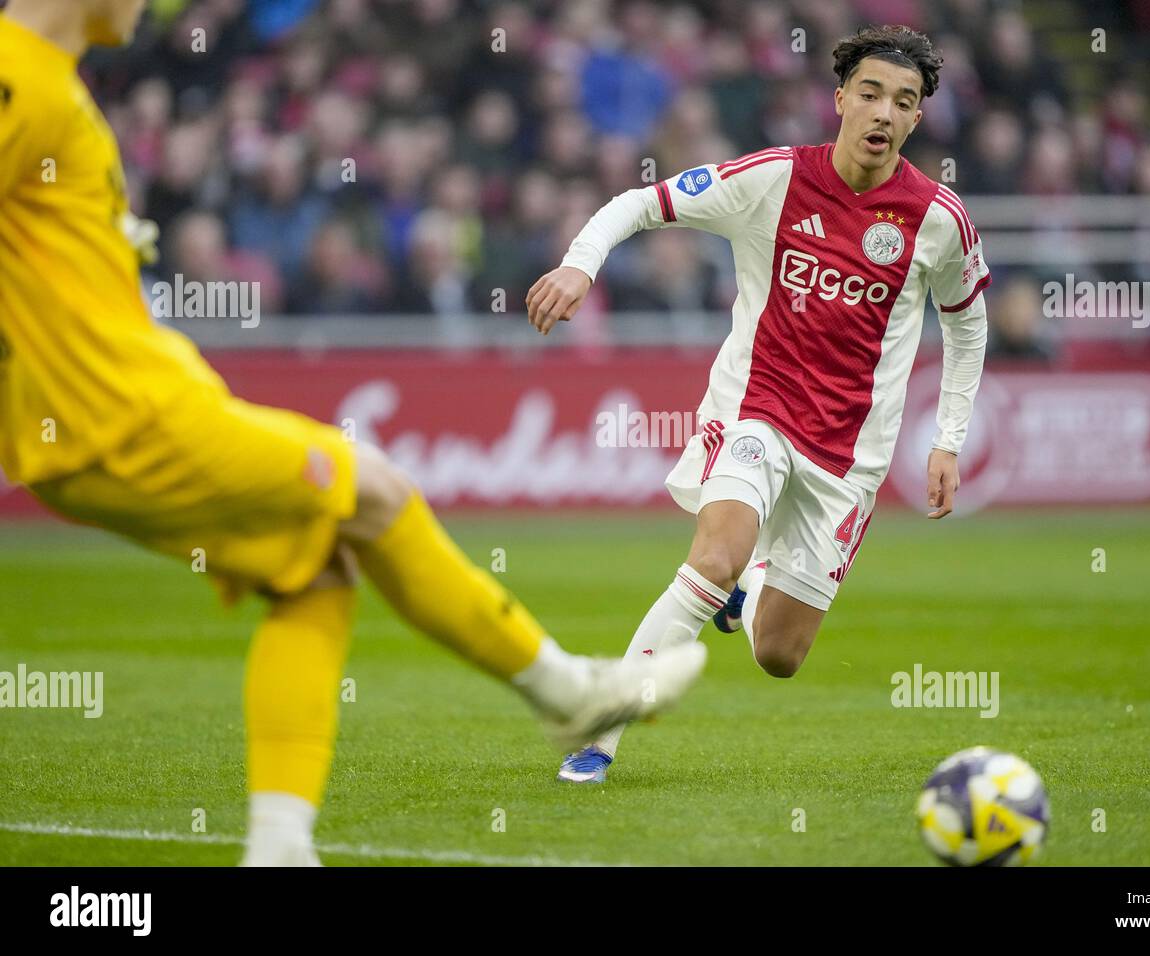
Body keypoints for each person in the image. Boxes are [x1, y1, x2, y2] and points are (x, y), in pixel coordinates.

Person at [0, 0, 705, 863]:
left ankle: (280, 846)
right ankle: (566, 691)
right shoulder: (16, 75)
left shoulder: (48, 82)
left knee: (317, 572)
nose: (153, 6)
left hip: (117, 406)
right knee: (372, 486)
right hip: (114, 412)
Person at [527, 25, 990, 784]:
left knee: (779, 654)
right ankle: (599, 732)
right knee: (711, 557)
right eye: (869, 93)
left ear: (916, 121)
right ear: (840, 99)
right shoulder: (775, 178)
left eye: (902, 103)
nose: (882, 112)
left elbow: (966, 323)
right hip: (757, 409)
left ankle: (746, 593)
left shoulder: (938, 219)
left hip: (849, 456)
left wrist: (950, 438)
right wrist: (581, 267)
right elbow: (640, 203)